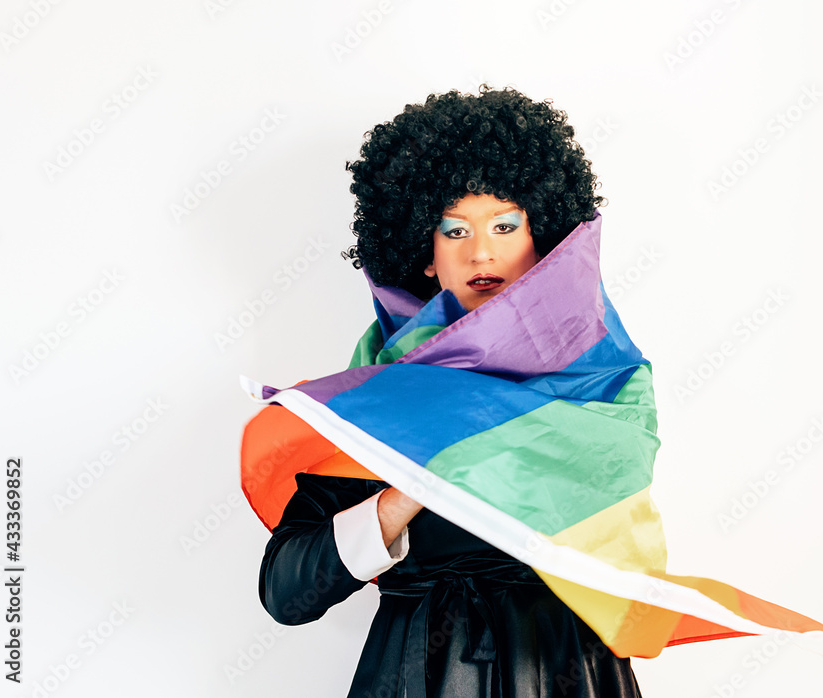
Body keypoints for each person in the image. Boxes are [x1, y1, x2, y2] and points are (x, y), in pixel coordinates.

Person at [257, 86, 644, 697]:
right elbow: (285, 592)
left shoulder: (601, 379)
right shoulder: (374, 397)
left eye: (505, 225)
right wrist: (405, 490)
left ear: (542, 240)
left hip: (568, 667)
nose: (482, 251)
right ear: (425, 254)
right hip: (422, 673)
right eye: (455, 230)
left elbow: (627, 556)